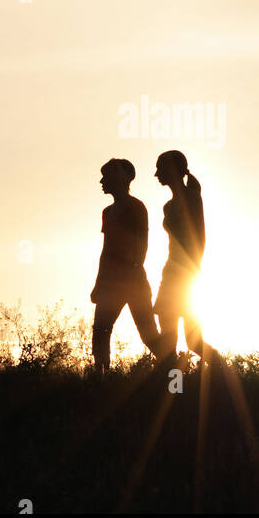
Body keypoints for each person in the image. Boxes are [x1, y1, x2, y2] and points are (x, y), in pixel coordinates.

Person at [90, 158, 160, 372]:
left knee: (148, 335)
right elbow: (106, 250)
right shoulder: (107, 212)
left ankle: (175, 371)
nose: (102, 181)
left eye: (106, 176)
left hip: (133, 281)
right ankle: (101, 378)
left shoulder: (136, 207)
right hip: (110, 283)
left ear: (120, 178)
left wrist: (132, 271)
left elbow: (143, 245)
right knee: (101, 330)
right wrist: (99, 284)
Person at [153, 150, 219, 366]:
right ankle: (175, 387)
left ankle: (223, 371)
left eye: (160, 169)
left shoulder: (192, 198)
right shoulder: (168, 206)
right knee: (168, 336)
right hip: (171, 270)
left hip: (187, 273)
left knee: (193, 341)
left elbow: (200, 237)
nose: (156, 174)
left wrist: (191, 270)